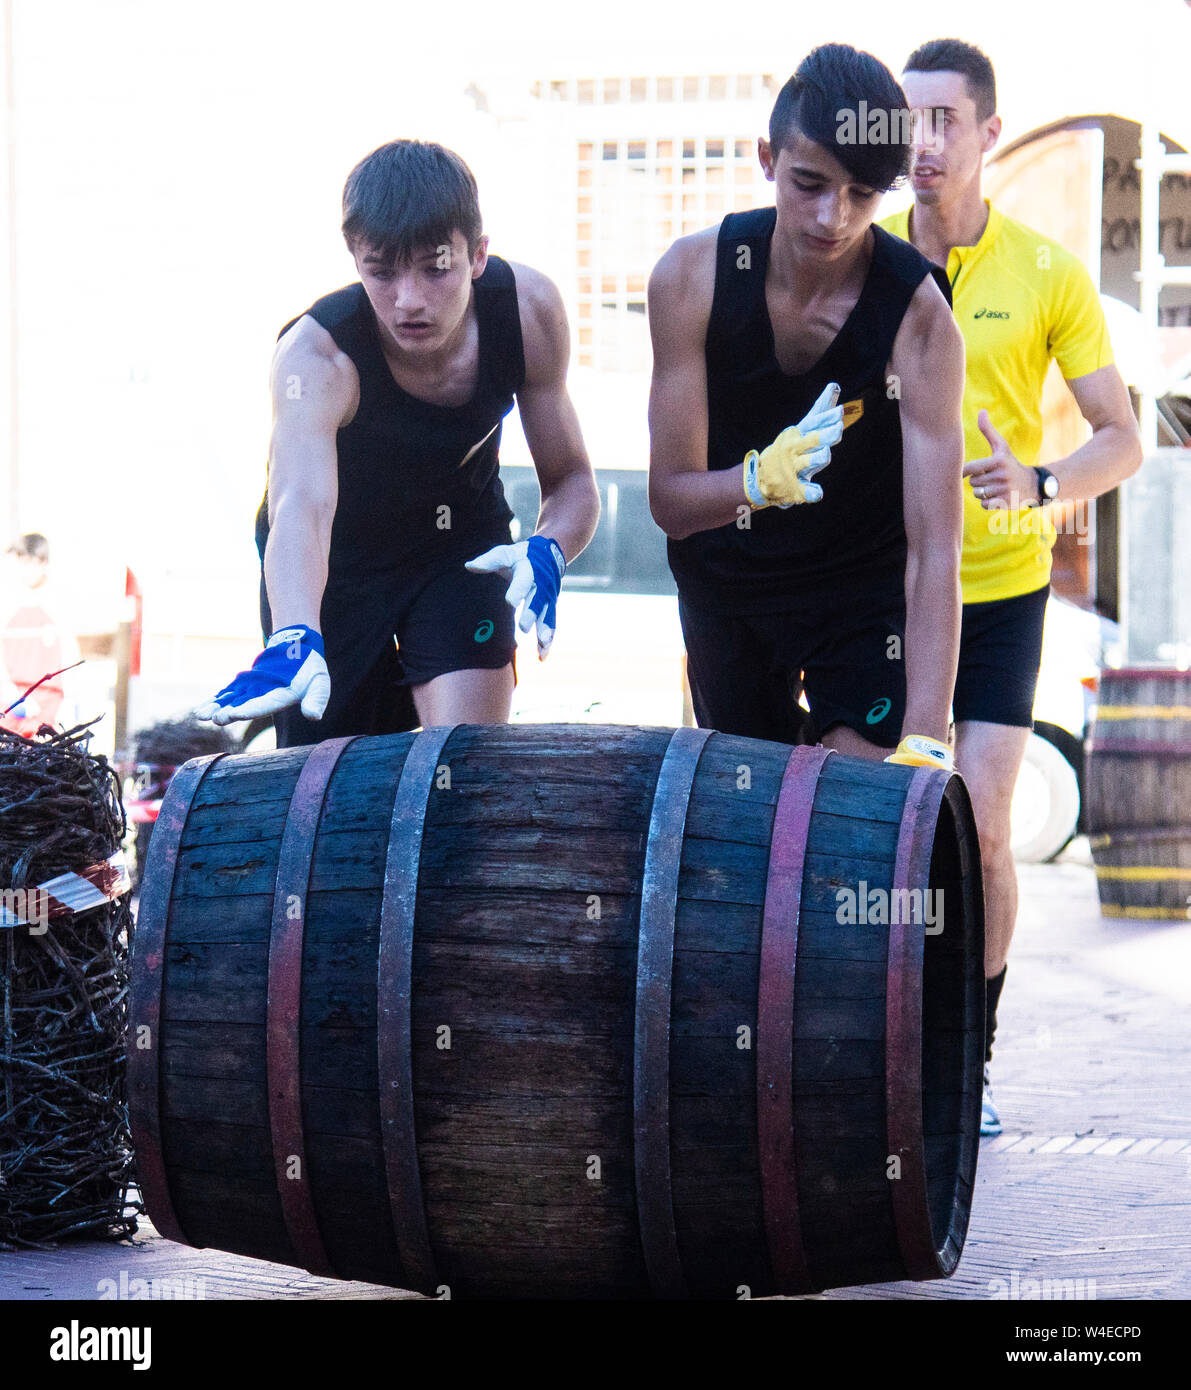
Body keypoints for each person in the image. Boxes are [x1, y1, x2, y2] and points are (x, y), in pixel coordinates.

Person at [881, 39, 1143, 1134]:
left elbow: (1120, 440)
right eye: (908, 120)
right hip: (882, 597)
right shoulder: (865, 257)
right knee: (877, 833)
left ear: (990, 135)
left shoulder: (1046, 273)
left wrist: (1038, 478)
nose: (923, 142)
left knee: (982, 828)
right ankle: (877, 1050)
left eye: (946, 120)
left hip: (999, 589)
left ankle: (967, 1062)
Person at [196, 140, 599, 743]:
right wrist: (295, 633)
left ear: (478, 254)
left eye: (436, 268)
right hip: (337, 564)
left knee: (463, 769)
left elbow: (571, 481)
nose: (408, 300)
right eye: (381, 271)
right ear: (355, 258)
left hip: (459, 546)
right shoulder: (317, 356)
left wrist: (550, 549)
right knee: (330, 790)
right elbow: (300, 510)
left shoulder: (527, 310)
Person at [648, 44, 965, 775]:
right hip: (728, 580)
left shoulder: (916, 315)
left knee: (854, 809)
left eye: (863, 194)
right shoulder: (691, 277)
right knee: (747, 819)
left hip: (858, 589)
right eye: (809, 183)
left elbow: (935, 546)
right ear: (766, 158)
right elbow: (669, 500)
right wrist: (754, 482)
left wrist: (926, 732)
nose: (833, 217)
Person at [0, 533, 79, 735]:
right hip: (10, 708)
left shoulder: (58, 604)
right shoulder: (6, 604)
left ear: (44, 564)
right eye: (24, 563)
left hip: (49, 709)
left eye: (35, 563)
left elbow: (70, 654)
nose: (29, 570)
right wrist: (14, 697)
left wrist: (70, 702)